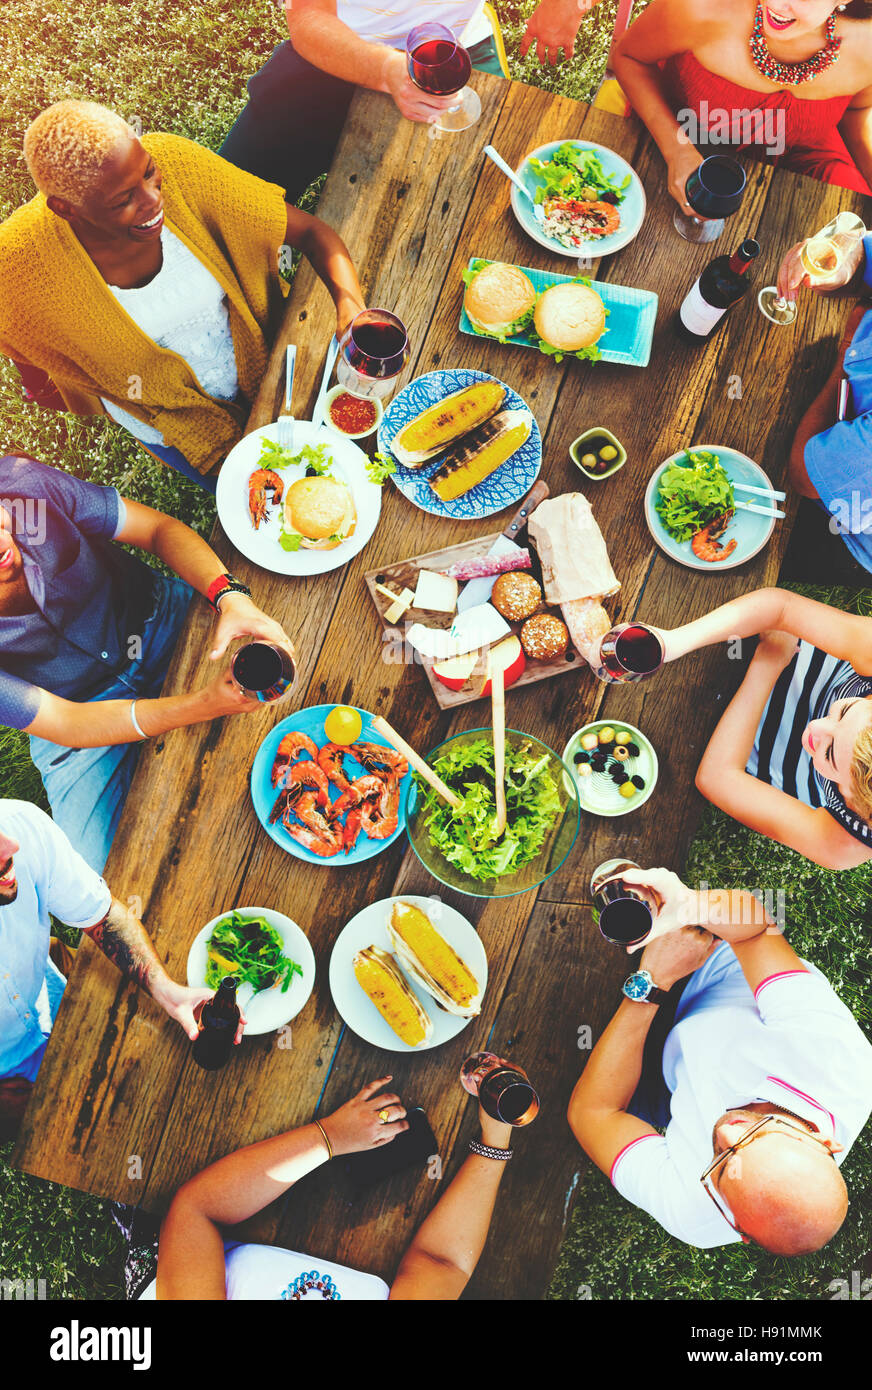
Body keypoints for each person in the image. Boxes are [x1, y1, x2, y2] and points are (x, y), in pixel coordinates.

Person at [0, 100, 366, 489]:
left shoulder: (177, 165)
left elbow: (311, 233)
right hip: (172, 423)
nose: (153, 199)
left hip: (273, 362)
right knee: (270, 513)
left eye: (148, 172)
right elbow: (20, 337)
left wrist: (350, 307)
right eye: (123, 200)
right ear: (64, 209)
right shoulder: (21, 266)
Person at [0, 452, 294, 872]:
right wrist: (203, 705)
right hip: (72, 712)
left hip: (156, 623)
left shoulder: (22, 484)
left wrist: (231, 597)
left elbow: (158, 530)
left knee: (292, 673)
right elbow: (68, 724)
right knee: (100, 872)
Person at [568, 867, 872, 1251]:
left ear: (738, 1229)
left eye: (722, 1165)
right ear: (823, 1138)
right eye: (757, 1134)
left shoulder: (698, 1215)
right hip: (714, 969)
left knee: (562, 1055)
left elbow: (591, 1113)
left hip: (666, 1068)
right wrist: (686, 906)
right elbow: (756, 930)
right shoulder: (838, 1056)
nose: (724, 1131)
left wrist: (652, 982)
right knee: (615, 888)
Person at [139, 1076, 513, 1300]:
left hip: (178, 1252)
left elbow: (196, 1210)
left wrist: (329, 1137)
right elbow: (442, 1263)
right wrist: (495, 1141)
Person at [0, 799, 238, 1144]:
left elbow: (101, 916)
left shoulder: (19, 825)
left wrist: (166, 991)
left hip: (47, 997)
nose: (12, 846)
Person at [219, 0, 605, 203]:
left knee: (488, 193)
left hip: (456, 42)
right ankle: (273, 236)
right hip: (338, 42)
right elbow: (308, 18)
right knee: (231, 196)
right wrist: (386, 70)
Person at [655, 586, 872, 868]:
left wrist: (768, 661)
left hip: (749, 740)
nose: (817, 727)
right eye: (845, 710)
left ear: (856, 805)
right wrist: (672, 643)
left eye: (829, 754)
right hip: (791, 654)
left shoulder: (846, 845)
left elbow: (716, 777)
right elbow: (781, 608)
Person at [612, 0, 872, 221]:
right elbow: (629, 57)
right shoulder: (703, 6)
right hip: (680, 136)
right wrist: (676, 151)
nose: (775, 4)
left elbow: (856, 112)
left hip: (798, 160)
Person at [783, 227, 872, 574]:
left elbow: (804, 475)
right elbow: (862, 255)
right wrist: (849, 263)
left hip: (847, 522)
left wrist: (844, 353)